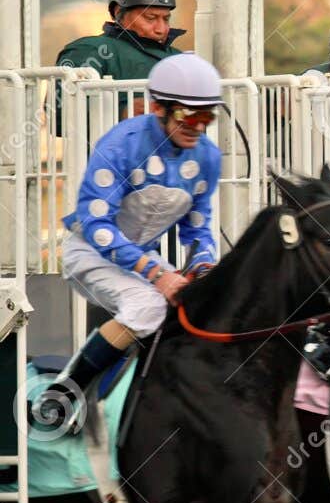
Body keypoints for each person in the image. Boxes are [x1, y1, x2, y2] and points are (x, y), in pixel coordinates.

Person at [29, 53, 224, 434]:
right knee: (148, 303)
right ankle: (63, 394)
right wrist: (157, 273)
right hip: (88, 252)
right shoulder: (121, 144)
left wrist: (203, 267)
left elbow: (198, 230)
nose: (198, 127)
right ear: (158, 107)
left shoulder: (208, 157)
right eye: (188, 115)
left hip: (140, 258)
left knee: (200, 305)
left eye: (207, 117)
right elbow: (96, 225)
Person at [57, 0, 186, 79]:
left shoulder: (181, 58)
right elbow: (64, 104)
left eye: (166, 19)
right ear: (118, 12)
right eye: (150, 18)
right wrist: (124, 107)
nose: (161, 29)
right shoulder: (89, 50)